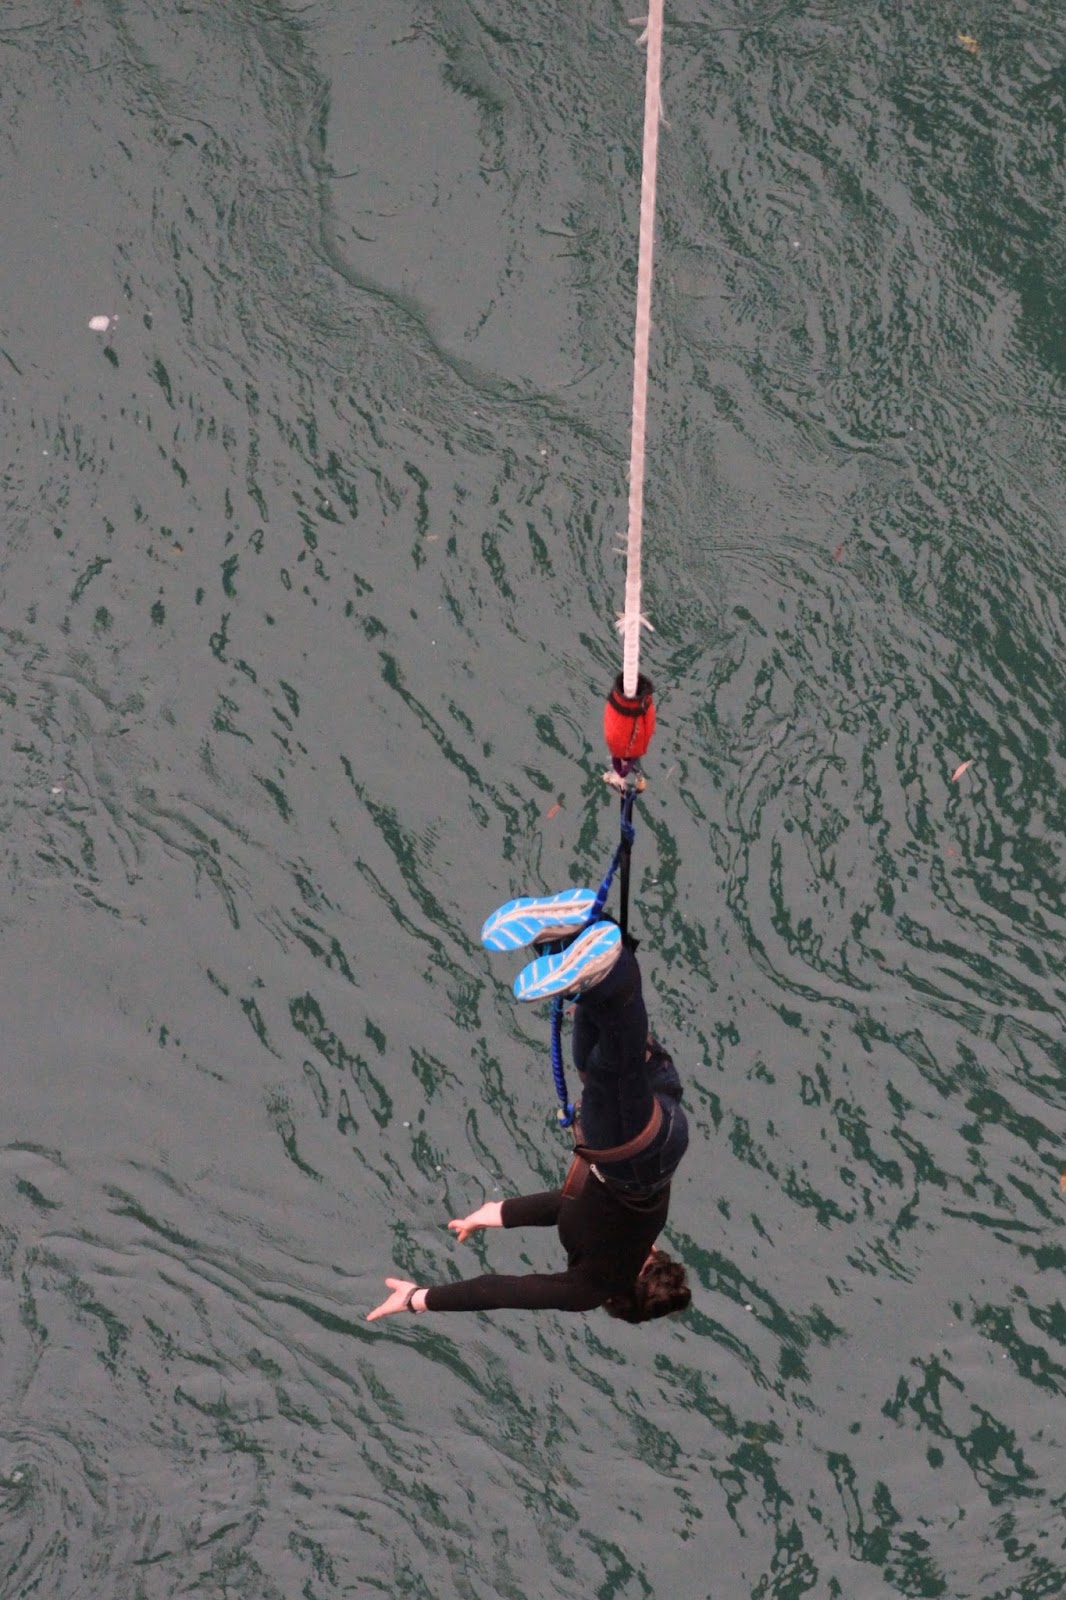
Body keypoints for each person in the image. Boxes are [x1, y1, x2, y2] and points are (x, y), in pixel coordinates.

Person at [368, 891, 691, 1325]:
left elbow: (566, 1205)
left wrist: (496, 1215)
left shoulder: (628, 1235)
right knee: (613, 1056)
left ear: (654, 1258)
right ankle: (614, 971)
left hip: (660, 1111)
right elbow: (498, 1290)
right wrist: (417, 1298)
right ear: (618, 1299)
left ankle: (572, 936)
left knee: (592, 1050)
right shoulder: (590, 1287)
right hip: (628, 1155)